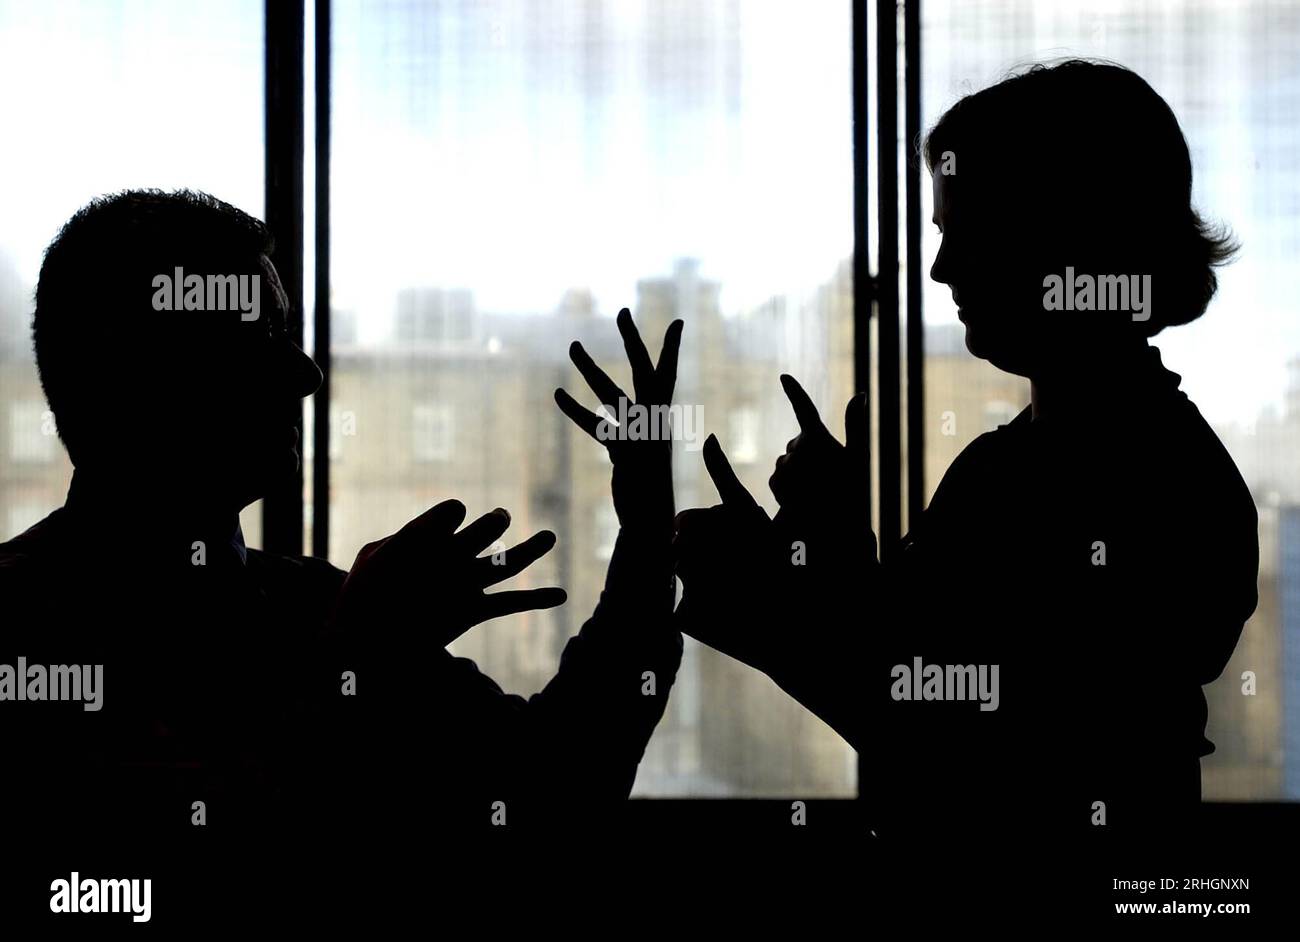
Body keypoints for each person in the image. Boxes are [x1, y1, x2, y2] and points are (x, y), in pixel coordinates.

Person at [674, 60, 1259, 841]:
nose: (942, 268)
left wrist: (772, 603)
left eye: (971, 233)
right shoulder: (1073, 460)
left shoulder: (1144, 482)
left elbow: (965, 740)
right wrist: (827, 558)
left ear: (1073, 234)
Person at [0, 189, 681, 841]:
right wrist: (361, 661)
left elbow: (554, 787)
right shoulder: (20, 624)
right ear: (132, 373)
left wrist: (648, 536)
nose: (304, 372)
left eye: (284, 331)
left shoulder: (330, 605)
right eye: (252, 338)